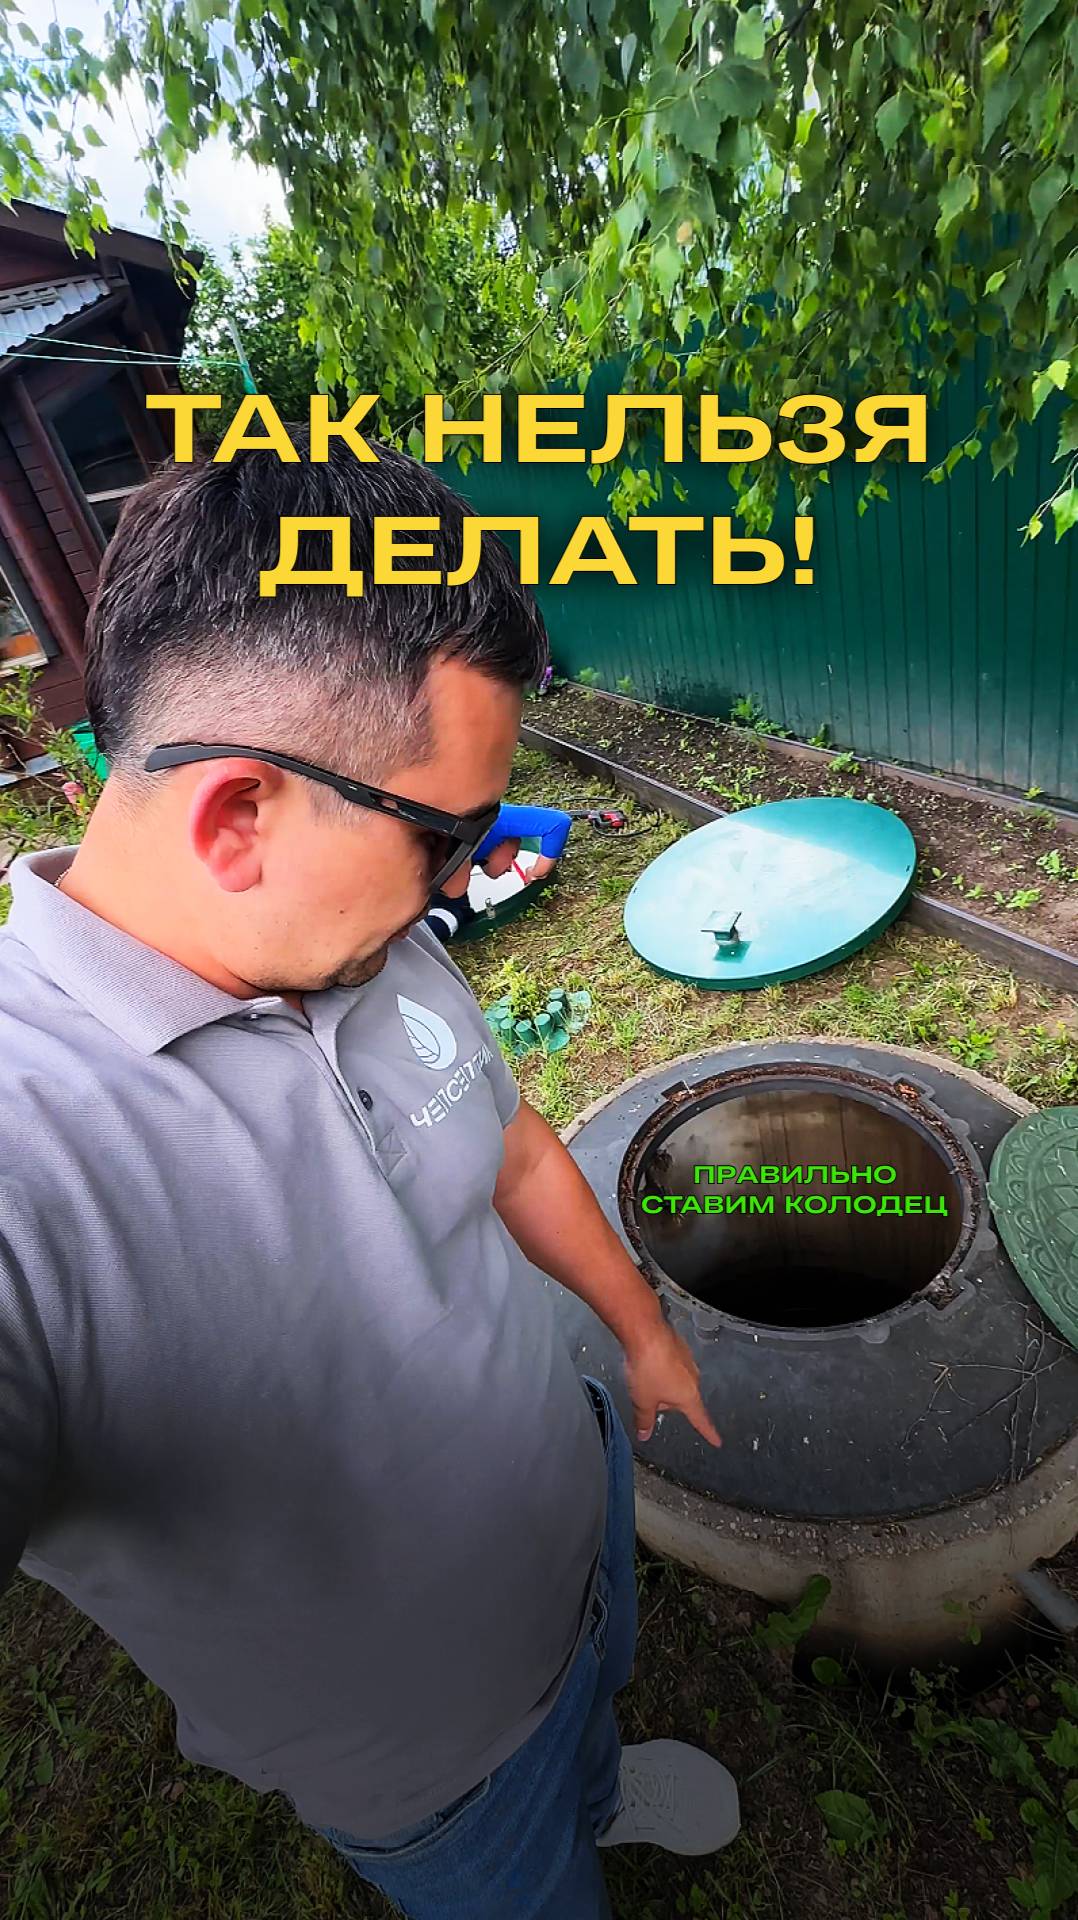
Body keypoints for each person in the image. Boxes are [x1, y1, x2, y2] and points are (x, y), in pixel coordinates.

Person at [0, 434, 737, 1920]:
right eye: (445, 835)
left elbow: (508, 1140)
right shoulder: (33, 1154)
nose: (464, 878)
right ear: (238, 817)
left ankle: (598, 1782)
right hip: (439, 1765)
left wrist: (639, 1331)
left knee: (595, 1708)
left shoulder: (358, 943)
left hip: (574, 1494)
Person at [425, 800, 572, 943]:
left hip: (430, 873)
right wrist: (538, 871)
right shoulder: (491, 821)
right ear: (501, 843)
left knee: (455, 911)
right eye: (513, 856)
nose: (510, 868)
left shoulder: (468, 860)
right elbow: (558, 823)